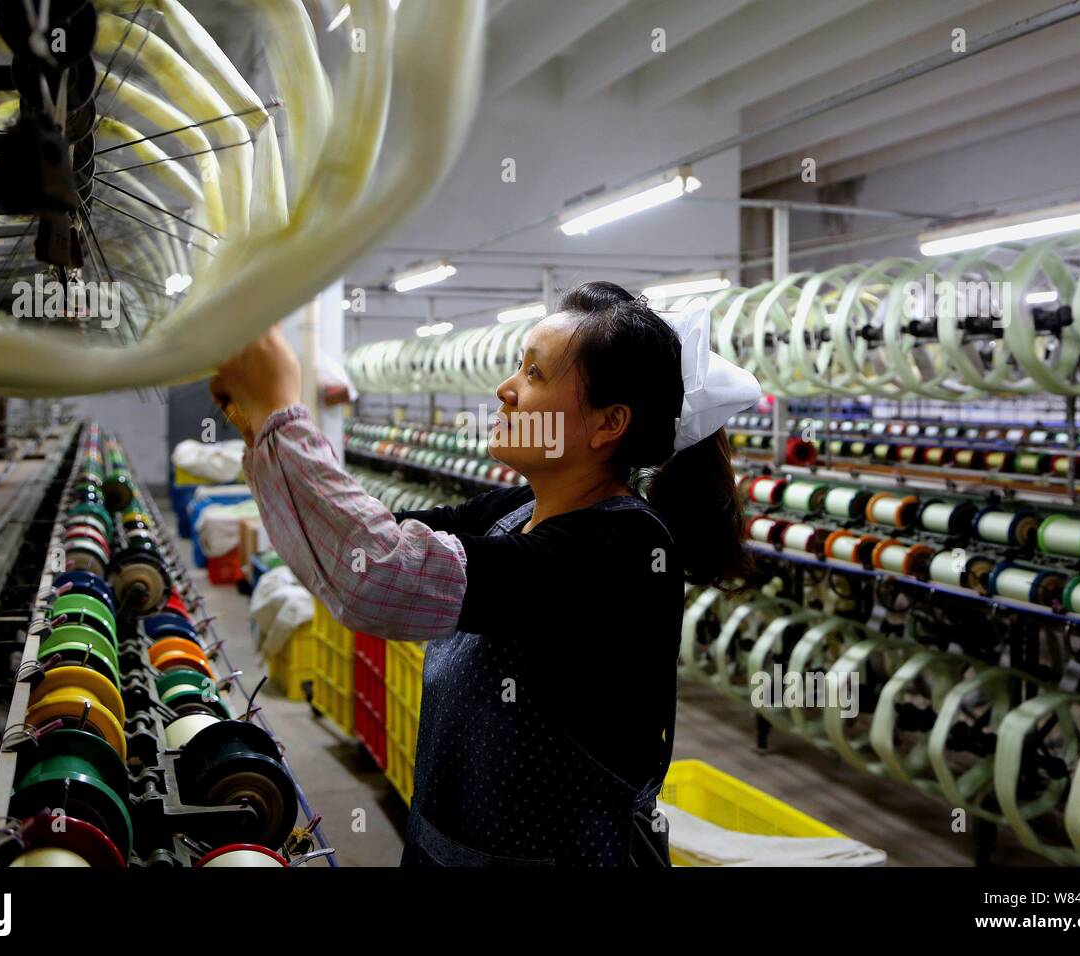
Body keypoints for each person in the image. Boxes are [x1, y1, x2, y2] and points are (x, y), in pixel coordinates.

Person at [210, 280, 761, 866]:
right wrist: (258, 428)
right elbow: (369, 542)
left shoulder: (621, 549)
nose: (504, 391)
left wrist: (282, 415)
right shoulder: (517, 510)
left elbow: (376, 577)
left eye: (534, 374)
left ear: (608, 424)